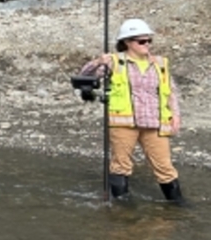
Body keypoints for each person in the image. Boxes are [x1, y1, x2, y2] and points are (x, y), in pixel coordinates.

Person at [78, 18, 184, 204]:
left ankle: (177, 204)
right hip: (123, 123)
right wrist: (97, 62)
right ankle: (122, 207)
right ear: (127, 42)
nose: (147, 45)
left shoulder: (160, 63)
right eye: (141, 41)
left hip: (155, 123)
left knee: (165, 167)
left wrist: (175, 115)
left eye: (149, 40)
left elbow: (170, 92)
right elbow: (83, 76)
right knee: (121, 166)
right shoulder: (114, 62)